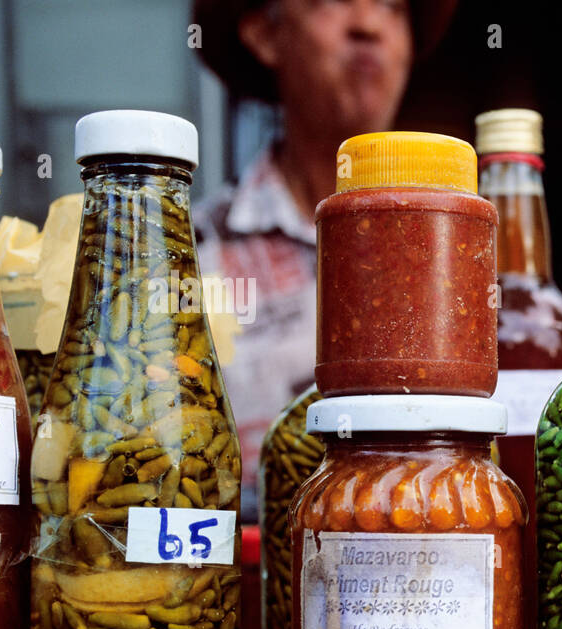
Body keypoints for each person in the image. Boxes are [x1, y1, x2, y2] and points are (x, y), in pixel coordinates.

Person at [190, 0, 455, 517]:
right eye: (334, 0)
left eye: (395, 8)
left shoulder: (453, 255)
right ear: (266, 35)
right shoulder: (194, 254)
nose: (369, 25)